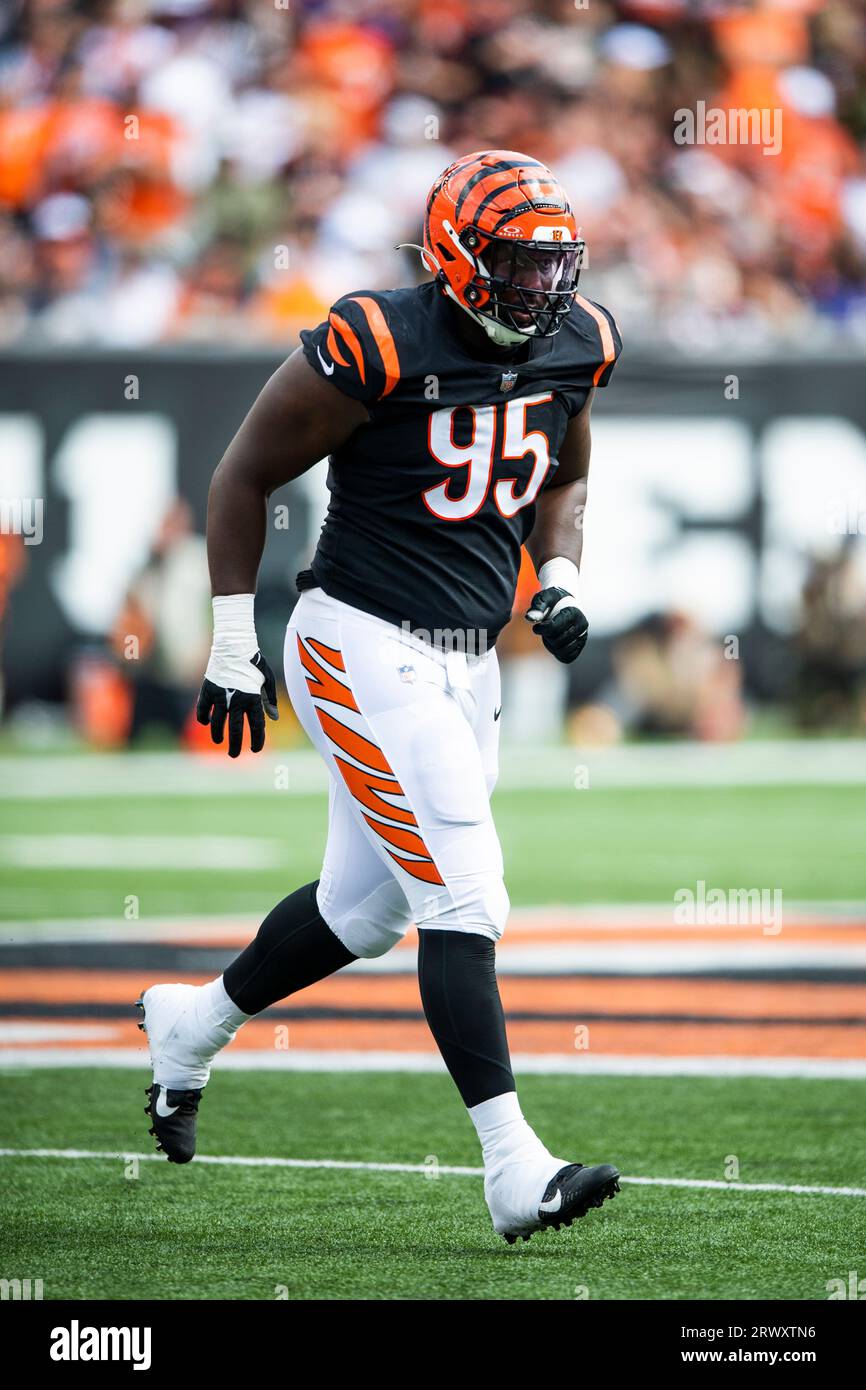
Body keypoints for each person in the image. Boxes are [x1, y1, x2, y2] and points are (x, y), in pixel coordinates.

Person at [137, 150, 623, 1244]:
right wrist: (229, 644)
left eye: (552, 265)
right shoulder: (374, 337)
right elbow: (239, 477)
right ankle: (511, 1168)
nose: (537, 288)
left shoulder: (577, 339)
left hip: (467, 660)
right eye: (513, 262)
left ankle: (190, 1025)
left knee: (365, 910)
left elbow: (565, 466)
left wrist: (560, 577)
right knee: (465, 892)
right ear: (455, 253)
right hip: (358, 640)